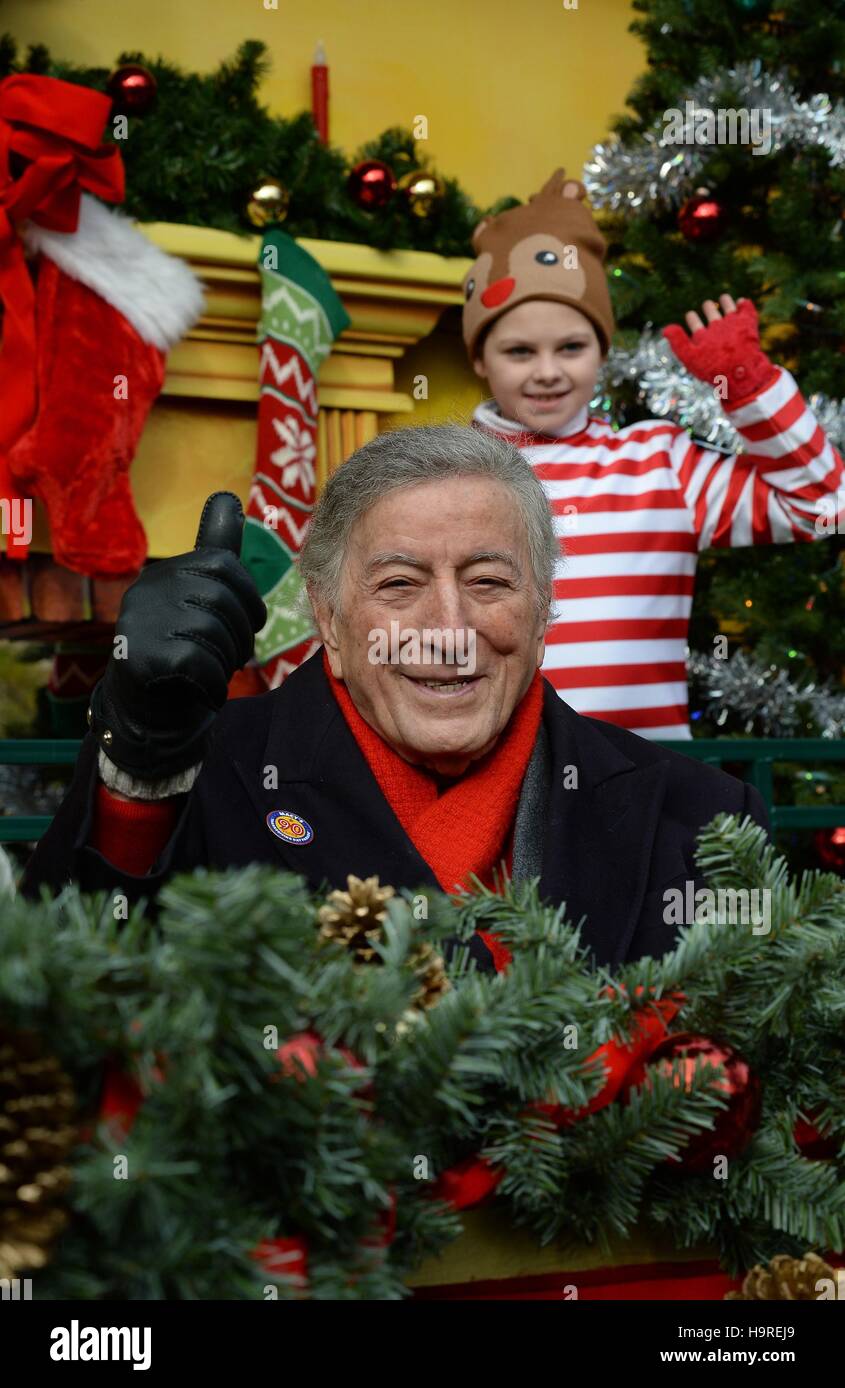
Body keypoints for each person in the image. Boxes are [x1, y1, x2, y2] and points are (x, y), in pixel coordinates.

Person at [21, 425, 770, 971]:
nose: (448, 629)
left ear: (542, 611)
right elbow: (72, 998)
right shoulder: (205, 778)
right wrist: (141, 751)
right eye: (399, 586)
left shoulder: (703, 819)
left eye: (488, 582)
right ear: (328, 617)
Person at [465, 168, 845, 739]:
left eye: (571, 347)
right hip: (495, 787)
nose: (547, 371)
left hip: (647, 788)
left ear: (602, 350)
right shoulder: (445, 472)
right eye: (519, 351)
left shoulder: (660, 463)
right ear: (479, 359)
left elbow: (822, 505)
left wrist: (749, 386)